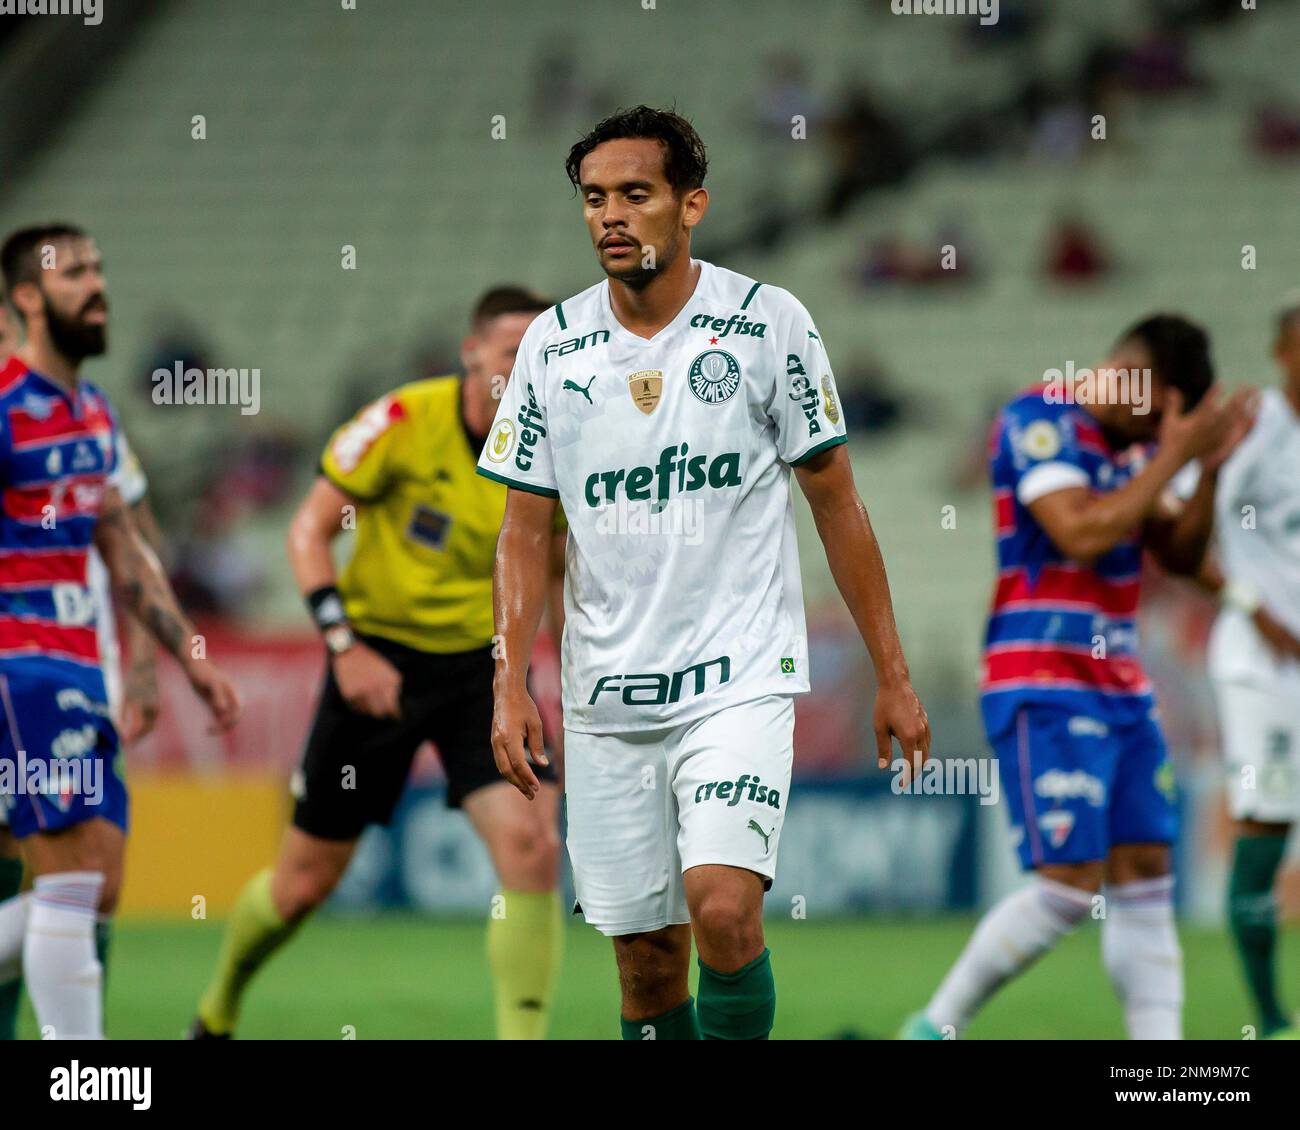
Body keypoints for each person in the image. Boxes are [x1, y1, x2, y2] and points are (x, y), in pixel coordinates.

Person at [479, 106, 930, 1040]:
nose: (611, 215)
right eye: (595, 198)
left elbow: (836, 500)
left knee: (722, 907)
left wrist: (893, 672)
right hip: (607, 695)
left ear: (692, 206)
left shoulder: (768, 325)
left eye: (635, 195)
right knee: (646, 968)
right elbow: (525, 528)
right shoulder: (551, 348)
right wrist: (509, 679)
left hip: (739, 678)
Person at [191, 286, 568, 1040]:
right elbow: (307, 531)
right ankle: (216, 1011)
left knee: (532, 846)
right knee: (300, 888)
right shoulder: (402, 422)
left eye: (542, 354)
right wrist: (345, 649)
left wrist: (557, 667)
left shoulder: (558, 443)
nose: (523, 368)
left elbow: (552, 563)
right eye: (509, 352)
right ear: (470, 354)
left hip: (482, 671)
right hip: (376, 662)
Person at [904, 315, 1250, 1040]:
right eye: (1159, 416)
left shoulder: (1134, 449)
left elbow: (1183, 558)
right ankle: (935, 1026)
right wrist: (1171, 456)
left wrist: (1208, 468)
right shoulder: (1040, 419)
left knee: (1147, 872)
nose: (1161, 432)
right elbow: (1082, 532)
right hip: (1042, 675)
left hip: (1120, 684)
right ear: (1137, 378)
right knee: (1068, 886)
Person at [0, 223, 241, 1039]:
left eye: (99, 268)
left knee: (94, 884)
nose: (96, 286)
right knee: (67, 883)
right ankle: (88, 1077)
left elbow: (121, 545)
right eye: (74, 274)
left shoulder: (93, 412)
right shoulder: (4, 404)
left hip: (77, 669)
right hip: (17, 666)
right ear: (27, 298)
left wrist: (188, 657)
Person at [1198, 301, 1300, 1038]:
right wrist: (1249, 603)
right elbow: (1185, 538)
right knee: (1264, 828)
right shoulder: (1255, 432)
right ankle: (1270, 1022)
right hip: (1260, 668)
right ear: (1280, 351)